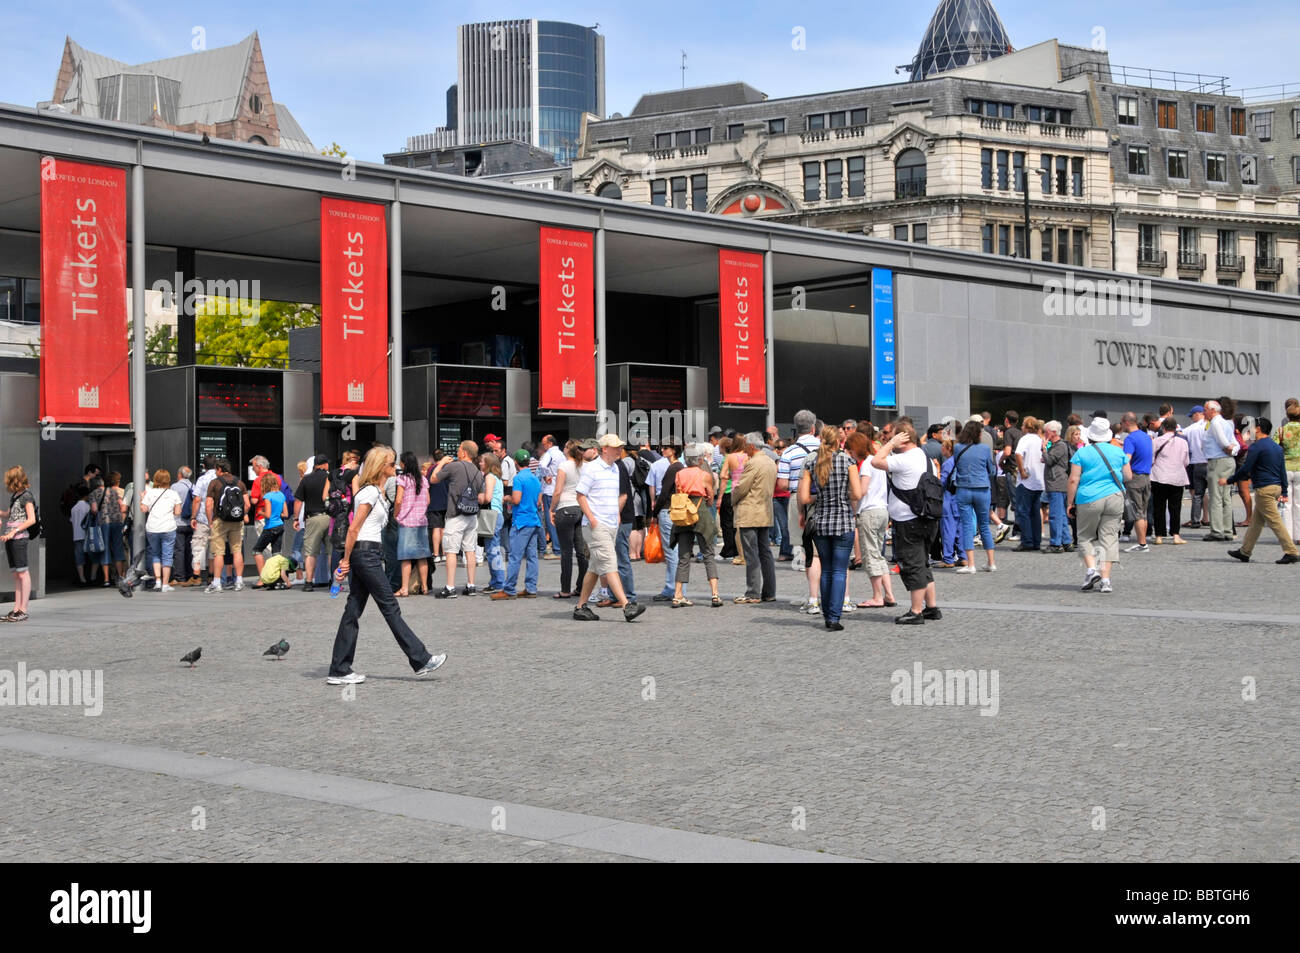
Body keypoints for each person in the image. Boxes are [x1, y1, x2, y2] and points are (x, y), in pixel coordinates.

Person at [327, 446, 447, 685]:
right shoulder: (370, 492)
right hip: (366, 555)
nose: (396, 467)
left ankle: (339, 668)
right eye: (392, 464)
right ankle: (420, 659)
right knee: (390, 607)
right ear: (381, 466)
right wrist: (345, 561)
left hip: (367, 553)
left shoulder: (375, 492)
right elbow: (354, 528)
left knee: (353, 610)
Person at [872, 424, 939, 625]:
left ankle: (916, 611)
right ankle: (932, 608)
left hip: (909, 520)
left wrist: (891, 444)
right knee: (923, 562)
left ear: (903, 439)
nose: (888, 441)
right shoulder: (924, 457)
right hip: (927, 517)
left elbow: (876, 461)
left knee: (913, 565)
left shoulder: (904, 459)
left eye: (892, 438)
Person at [573, 434, 645, 622]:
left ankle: (580, 607)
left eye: (620, 447)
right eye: (615, 447)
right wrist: (591, 518)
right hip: (597, 526)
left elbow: (615, 497)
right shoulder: (592, 469)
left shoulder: (615, 469)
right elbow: (580, 495)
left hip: (610, 523)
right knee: (610, 564)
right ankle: (626, 605)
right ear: (604, 448)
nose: (619, 450)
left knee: (595, 567)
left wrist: (616, 514)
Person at [799, 426, 863, 630]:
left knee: (826, 569)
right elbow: (858, 493)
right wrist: (843, 496)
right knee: (839, 570)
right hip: (843, 521)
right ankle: (834, 617)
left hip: (820, 521)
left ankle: (827, 613)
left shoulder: (811, 461)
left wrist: (821, 497)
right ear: (838, 442)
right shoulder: (848, 461)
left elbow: (804, 498)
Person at [1068, 418, 1131, 594]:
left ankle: (1091, 570)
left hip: (1088, 498)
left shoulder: (1081, 453)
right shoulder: (1118, 451)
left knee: (1085, 535)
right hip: (1114, 497)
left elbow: (1073, 479)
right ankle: (1105, 580)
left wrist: (1070, 503)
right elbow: (1128, 476)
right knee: (1109, 537)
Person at [1226, 418, 1299, 564]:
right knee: (1256, 523)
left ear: (1258, 429)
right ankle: (1245, 551)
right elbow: (1281, 471)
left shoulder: (1256, 447)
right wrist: (1283, 490)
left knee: (1275, 522)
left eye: (1252, 427)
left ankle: (1291, 551)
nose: (1250, 430)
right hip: (1276, 487)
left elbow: (1246, 468)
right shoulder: (1276, 447)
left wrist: (1229, 480)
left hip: (1264, 489)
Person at [669, 444, 722, 608]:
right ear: (700, 459)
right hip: (700, 511)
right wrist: (707, 501)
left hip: (684, 512)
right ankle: (714, 594)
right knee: (708, 554)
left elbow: (679, 491)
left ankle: (678, 594)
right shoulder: (704, 474)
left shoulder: (679, 473)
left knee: (684, 556)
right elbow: (710, 494)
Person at [846, 431, 896, 606]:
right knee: (878, 555)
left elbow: (862, 490)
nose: (849, 454)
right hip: (882, 510)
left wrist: (849, 494)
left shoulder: (867, 464)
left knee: (870, 556)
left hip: (869, 512)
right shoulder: (876, 462)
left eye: (850, 450)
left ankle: (877, 596)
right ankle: (889, 594)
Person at [429, 441, 484, 599]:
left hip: (455, 513)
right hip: (472, 515)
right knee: (470, 550)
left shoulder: (454, 466)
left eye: (459, 449)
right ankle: (471, 585)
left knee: (451, 551)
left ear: (464, 452)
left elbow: (433, 479)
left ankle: (450, 587)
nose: (457, 452)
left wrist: (441, 463)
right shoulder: (477, 471)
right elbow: (481, 496)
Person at [732, 432, 777, 605]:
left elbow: (742, 488)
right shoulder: (770, 461)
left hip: (750, 512)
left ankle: (753, 592)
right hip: (765, 511)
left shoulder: (753, 463)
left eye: (745, 445)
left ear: (751, 446)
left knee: (751, 554)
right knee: (765, 553)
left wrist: (733, 500)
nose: (744, 448)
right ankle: (769, 591)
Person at [949, 419, 999, 573]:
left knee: (966, 526)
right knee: (984, 525)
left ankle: (971, 565)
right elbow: (992, 470)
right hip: (982, 488)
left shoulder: (957, 447)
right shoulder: (984, 449)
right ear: (978, 433)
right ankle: (991, 562)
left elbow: (956, 465)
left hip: (964, 488)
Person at [493, 450, 543, 599]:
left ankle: (509, 589)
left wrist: (507, 497)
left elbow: (516, 499)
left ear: (516, 462)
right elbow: (539, 502)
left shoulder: (519, 478)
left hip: (521, 521)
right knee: (532, 557)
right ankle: (531, 588)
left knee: (515, 556)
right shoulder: (535, 479)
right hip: (534, 520)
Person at [551, 440, 590, 599]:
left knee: (566, 551)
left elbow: (558, 491)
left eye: (565, 446)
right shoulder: (586, 466)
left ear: (568, 450)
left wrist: (551, 509)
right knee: (581, 551)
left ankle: (565, 589)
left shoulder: (564, 466)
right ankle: (581, 587)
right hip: (581, 508)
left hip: (565, 507)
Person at [204, 458, 249, 593]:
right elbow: (247, 504)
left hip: (220, 520)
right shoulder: (239, 483)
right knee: (236, 550)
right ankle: (239, 581)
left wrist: (210, 521)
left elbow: (208, 504)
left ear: (219, 469)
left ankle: (217, 583)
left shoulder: (214, 483)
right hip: (236, 521)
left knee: (218, 552)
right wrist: (241, 515)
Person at [392, 450, 432, 596]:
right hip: (421, 521)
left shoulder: (403, 479)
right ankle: (425, 586)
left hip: (407, 521)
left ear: (403, 463)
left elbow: (398, 500)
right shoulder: (423, 479)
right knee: (422, 556)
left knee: (406, 557)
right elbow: (428, 500)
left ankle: (404, 588)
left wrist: (396, 514)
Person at [1, 466, 37, 622]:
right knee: (16, 574)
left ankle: (23, 610)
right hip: (10, 537)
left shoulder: (26, 496)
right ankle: (16, 609)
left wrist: (13, 532)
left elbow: (31, 519)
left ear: (14, 480)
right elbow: (9, 514)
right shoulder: (16, 495)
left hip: (19, 537)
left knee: (23, 573)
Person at [1201, 400, 1240, 540]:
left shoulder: (1216, 423)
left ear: (1212, 410)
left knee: (1216, 497)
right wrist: (1233, 451)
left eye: (1205, 409)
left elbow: (1223, 441)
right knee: (1226, 498)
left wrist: (1228, 449)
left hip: (1217, 462)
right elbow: (1236, 444)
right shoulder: (1228, 422)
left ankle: (1217, 531)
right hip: (1228, 462)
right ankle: (1228, 531)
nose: (1204, 412)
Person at [294, 456, 332, 592]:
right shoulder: (331, 478)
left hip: (313, 518)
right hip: (330, 517)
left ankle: (309, 582)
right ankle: (333, 580)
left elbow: (298, 501)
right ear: (325, 465)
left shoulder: (306, 479)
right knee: (330, 551)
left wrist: (296, 519)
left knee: (310, 552)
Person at [140, 468, 183, 592]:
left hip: (152, 528)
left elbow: (143, 509)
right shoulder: (173, 494)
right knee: (167, 556)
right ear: (168, 480)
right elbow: (178, 512)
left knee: (156, 554)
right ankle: (165, 584)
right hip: (168, 527)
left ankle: (157, 581)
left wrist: (141, 498)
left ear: (156, 479)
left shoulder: (150, 493)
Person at [1150, 417, 1190, 545]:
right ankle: (1176, 535)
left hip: (1159, 476)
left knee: (1159, 507)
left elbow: (1151, 459)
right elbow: (1186, 461)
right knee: (1175, 507)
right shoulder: (1183, 442)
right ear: (1175, 428)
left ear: (1163, 427)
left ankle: (1159, 536)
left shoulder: (1156, 441)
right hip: (1177, 477)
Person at [1012, 417, 1045, 551]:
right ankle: (1036, 541)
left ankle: (1027, 541)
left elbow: (1018, 454)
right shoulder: (1039, 439)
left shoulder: (1025, 439)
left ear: (1026, 427)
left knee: (1023, 511)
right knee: (1035, 512)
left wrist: (1021, 471)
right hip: (1039, 480)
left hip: (1026, 481)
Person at [1041, 421, 1074, 554]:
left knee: (1055, 514)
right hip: (1057, 482)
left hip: (1056, 483)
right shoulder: (1057, 445)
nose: (1045, 434)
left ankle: (1056, 543)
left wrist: (1044, 449)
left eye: (1046, 431)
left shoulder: (1060, 446)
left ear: (1054, 432)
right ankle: (1066, 541)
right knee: (1060, 514)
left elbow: (1049, 460)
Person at [476, 452, 506, 594]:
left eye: (482, 461)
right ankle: (495, 581)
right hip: (497, 514)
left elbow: (487, 498)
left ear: (488, 463)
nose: (480, 463)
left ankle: (498, 582)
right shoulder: (497, 478)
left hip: (490, 515)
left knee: (493, 550)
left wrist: (476, 497)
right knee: (493, 548)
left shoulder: (489, 477)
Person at [90, 471, 128, 585]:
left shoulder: (94, 493)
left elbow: (94, 510)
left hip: (104, 523)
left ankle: (106, 579)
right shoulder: (115, 492)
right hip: (117, 522)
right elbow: (122, 506)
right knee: (118, 549)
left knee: (105, 549)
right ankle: (121, 577)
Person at [251, 472, 288, 581]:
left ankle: (264, 578)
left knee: (257, 551)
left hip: (270, 527)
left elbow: (267, 514)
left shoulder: (267, 496)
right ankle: (281, 578)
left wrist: (260, 512)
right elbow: (285, 514)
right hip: (280, 526)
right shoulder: (281, 495)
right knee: (276, 553)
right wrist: (277, 514)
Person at [190, 455, 218, 585]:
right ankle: (211, 575)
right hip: (217, 518)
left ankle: (196, 576)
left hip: (202, 517)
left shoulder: (202, 479)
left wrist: (193, 517)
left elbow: (197, 500)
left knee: (199, 545)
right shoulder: (219, 478)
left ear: (203, 466)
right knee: (214, 547)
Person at [536, 434, 565, 558]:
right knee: (559, 518)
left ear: (549, 444)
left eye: (544, 444)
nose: (543, 446)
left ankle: (557, 548)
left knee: (550, 518)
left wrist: (547, 474)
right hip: (559, 487)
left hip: (549, 488)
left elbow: (542, 465)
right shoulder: (561, 455)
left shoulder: (549, 454)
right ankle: (560, 546)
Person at [1276, 398, 1300, 543]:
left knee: (1286, 503)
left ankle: (1287, 536)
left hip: (1285, 468)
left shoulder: (1281, 430)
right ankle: (1299, 536)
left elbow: (1273, 447)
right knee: (1299, 504)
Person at [171, 466, 196, 585]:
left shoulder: (175, 487)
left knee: (179, 550)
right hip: (191, 522)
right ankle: (190, 574)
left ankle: (179, 576)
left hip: (178, 522)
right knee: (190, 550)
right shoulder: (193, 486)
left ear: (180, 474)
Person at [424, 450, 448, 565]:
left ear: (434, 458)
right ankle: (444, 553)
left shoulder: (431, 469)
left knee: (435, 528)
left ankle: (436, 554)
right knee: (444, 528)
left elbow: (427, 483)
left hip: (434, 501)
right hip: (447, 501)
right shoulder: (448, 468)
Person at [70, 485, 92, 585]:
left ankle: (82, 578)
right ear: (86, 495)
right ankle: (92, 577)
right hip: (87, 535)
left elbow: (71, 521)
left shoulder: (73, 508)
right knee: (92, 556)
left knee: (79, 558)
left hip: (76, 535)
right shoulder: (88, 507)